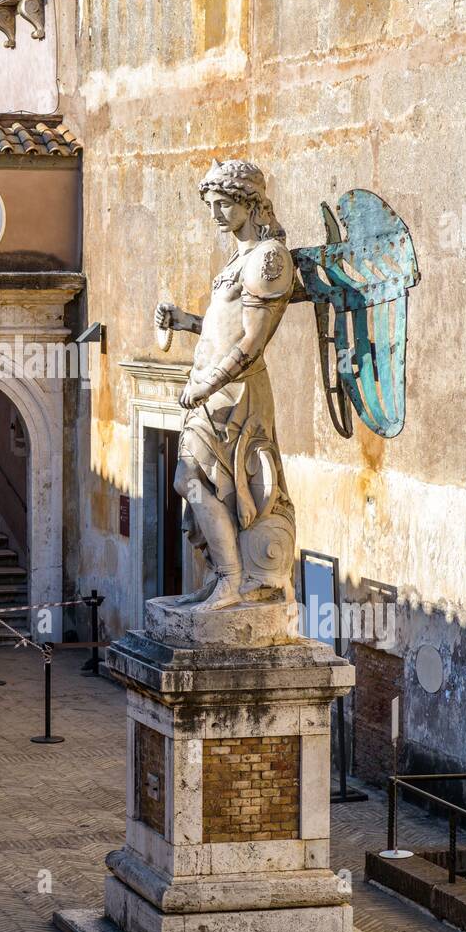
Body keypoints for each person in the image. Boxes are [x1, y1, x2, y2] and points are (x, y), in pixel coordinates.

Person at [154, 159, 296, 612]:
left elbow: (252, 343)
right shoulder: (239, 257)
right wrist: (186, 322)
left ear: (249, 203)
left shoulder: (269, 259)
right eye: (211, 205)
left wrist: (205, 385)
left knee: (195, 478)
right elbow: (224, 329)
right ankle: (222, 577)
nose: (215, 213)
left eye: (223, 204)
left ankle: (232, 581)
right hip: (211, 388)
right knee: (192, 480)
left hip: (237, 394)